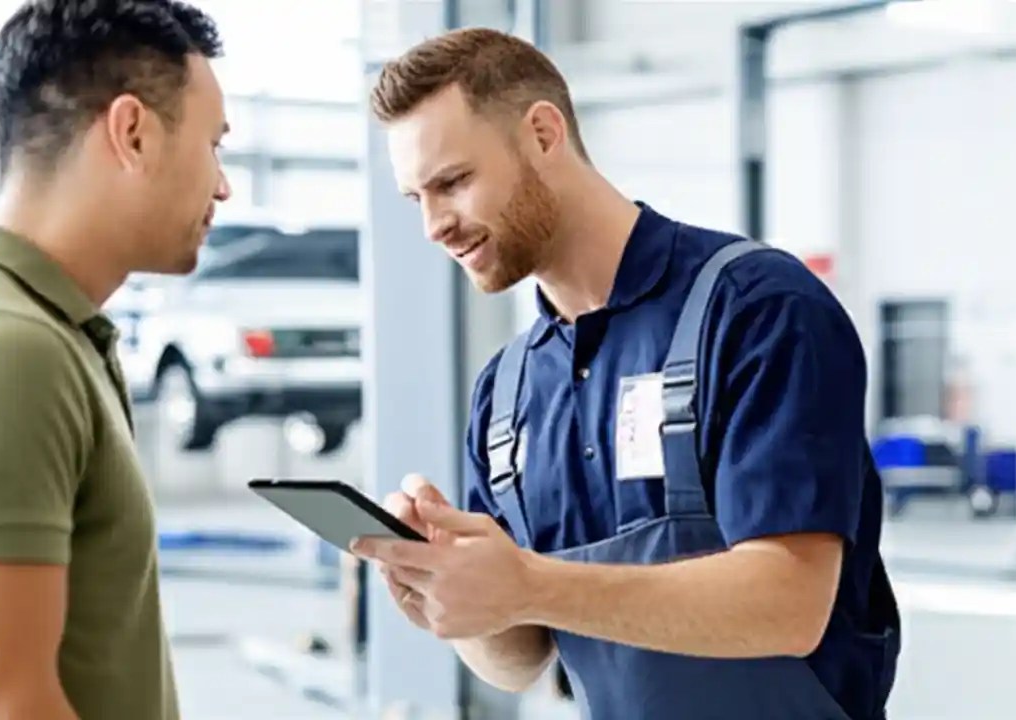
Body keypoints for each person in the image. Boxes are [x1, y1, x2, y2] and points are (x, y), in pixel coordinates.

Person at [352, 27, 901, 720]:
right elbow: (519, 661)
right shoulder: (507, 394)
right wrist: (446, 591)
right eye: (416, 198)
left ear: (543, 134)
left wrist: (529, 582)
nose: (434, 224)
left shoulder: (757, 310)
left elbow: (789, 605)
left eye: (453, 182)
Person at [0, 2, 231, 718]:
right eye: (214, 146)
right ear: (132, 133)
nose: (223, 185)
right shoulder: (1, 351)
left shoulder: (36, 332)